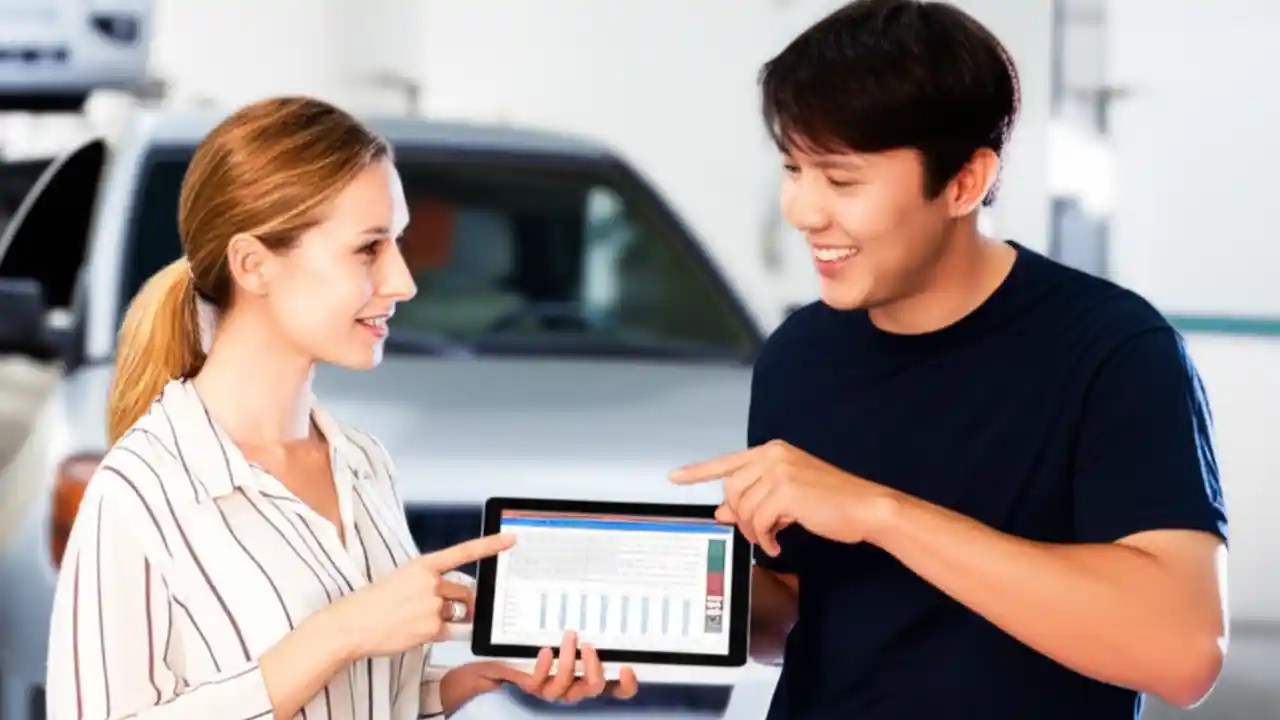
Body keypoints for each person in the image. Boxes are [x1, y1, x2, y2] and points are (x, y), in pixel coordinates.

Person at [670, 1, 1230, 718]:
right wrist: (679, 600)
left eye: (841, 180)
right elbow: (808, 612)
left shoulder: (1114, 351)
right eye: (793, 167)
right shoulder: (799, 353)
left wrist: (879, 513)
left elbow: (1180, 652)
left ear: (964, 182)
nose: (803, 210)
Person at [45, 96, 639, 720]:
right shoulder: (136, 493)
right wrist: (340, 632)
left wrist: (469, 680)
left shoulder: (362, 463)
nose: (403, 281)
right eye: (368, 249)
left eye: (398, 243)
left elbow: (367, 696)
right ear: (253, 264)